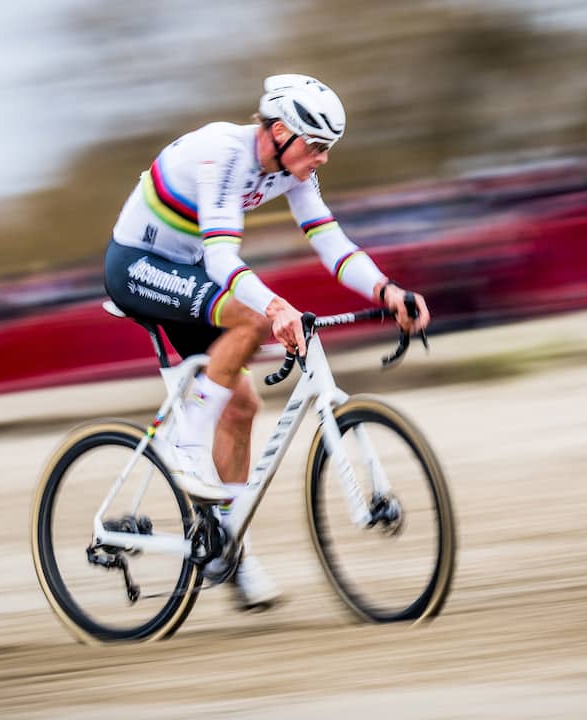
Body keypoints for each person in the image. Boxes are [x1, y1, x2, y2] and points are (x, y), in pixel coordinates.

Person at [104, 74, 430, 611]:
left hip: (185, 272)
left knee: (244, 405)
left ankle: (230, 554)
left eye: (329, 148)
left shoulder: (291, 168)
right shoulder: (225, 156)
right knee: (254, 321)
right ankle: (186, 449)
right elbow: (221, 260)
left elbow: (330, 242)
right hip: (137, 265)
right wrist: (275, 306)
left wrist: (386, 289)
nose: (322, 158)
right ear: (279, 131)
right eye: (316, 146)